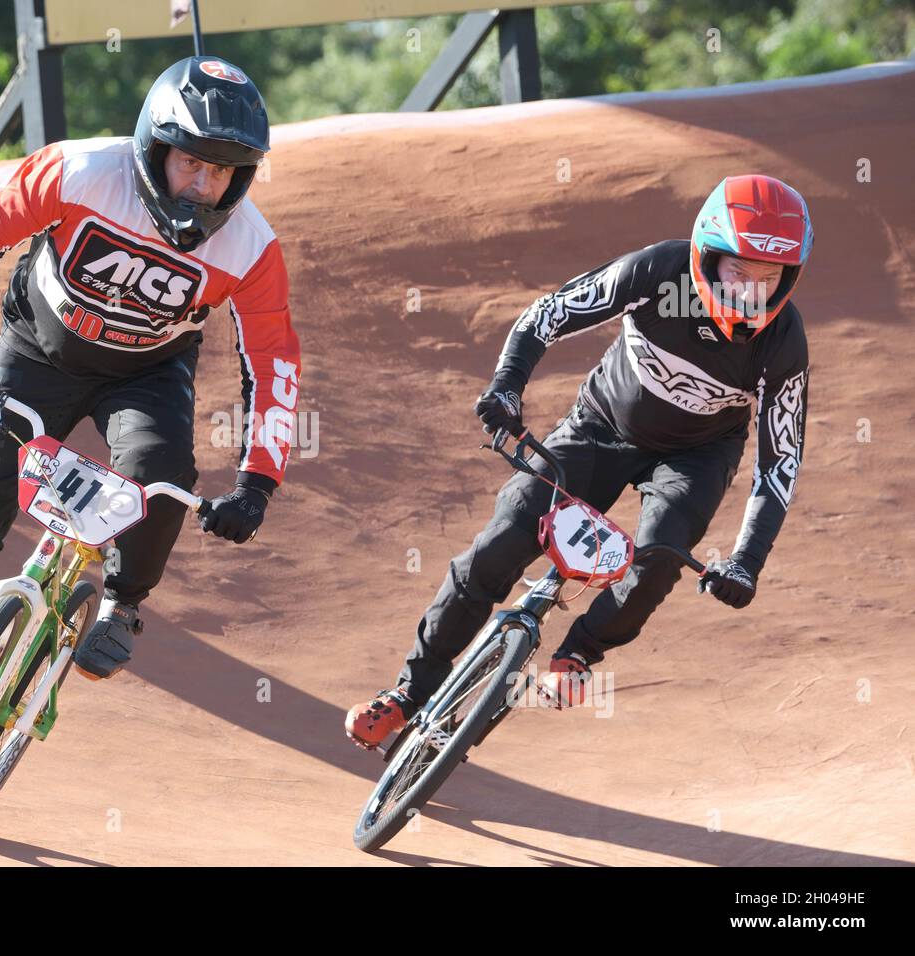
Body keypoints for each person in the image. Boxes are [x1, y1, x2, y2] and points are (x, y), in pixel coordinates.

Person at [0, 56, 301, 761]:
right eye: (191, 164)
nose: (204, 185)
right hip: (36, 349)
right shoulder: (79, 172)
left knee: (160, 473)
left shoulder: (251, 246)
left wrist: (257, 485)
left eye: (223, 173)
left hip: (148, 374)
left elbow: (274, 360)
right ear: (154, 148)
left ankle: (123, 605)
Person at [345, 174, 811, 749]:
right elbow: (549, 315)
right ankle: (408, 692)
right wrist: (507, 388)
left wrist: (746, 561)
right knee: (504, 539)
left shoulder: (784, 344)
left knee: (658, 561)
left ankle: (580, 652)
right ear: (705, 256)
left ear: (788, 279)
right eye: (738, 271)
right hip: (602, 427)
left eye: (768, 279)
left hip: (696, 458)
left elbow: (779, 463)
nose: (749, 292)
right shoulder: (656, 271)